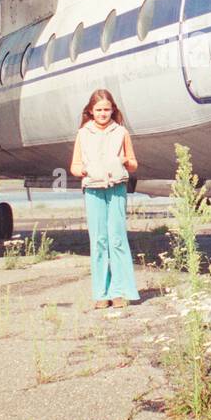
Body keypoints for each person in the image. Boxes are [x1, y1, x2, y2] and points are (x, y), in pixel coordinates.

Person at [69, 88, 140, 310]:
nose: (103, 113)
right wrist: (85, 170)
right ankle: (101, 293)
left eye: (107, 109)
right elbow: (74, 166)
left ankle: (119, 292)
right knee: (99, 241)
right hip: (93, 190)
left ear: (113, 110)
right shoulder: (83, 134)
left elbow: (134, 163)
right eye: (98, 110)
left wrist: (124, 162)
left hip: (116, 189)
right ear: (90, 111)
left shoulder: (121, 132)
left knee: (117, 239)